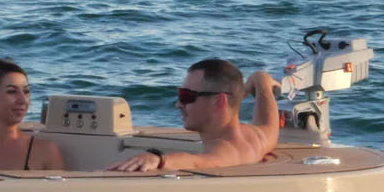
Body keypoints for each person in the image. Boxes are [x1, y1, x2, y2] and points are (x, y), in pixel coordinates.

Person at [107, 58, 279, 172]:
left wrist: (159, 159)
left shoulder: (225, 150)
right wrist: (261, 81)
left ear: (219, 101)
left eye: (187, 96)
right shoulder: (257, 138)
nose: (178, 104)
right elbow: (269, 123)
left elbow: (197, 162)